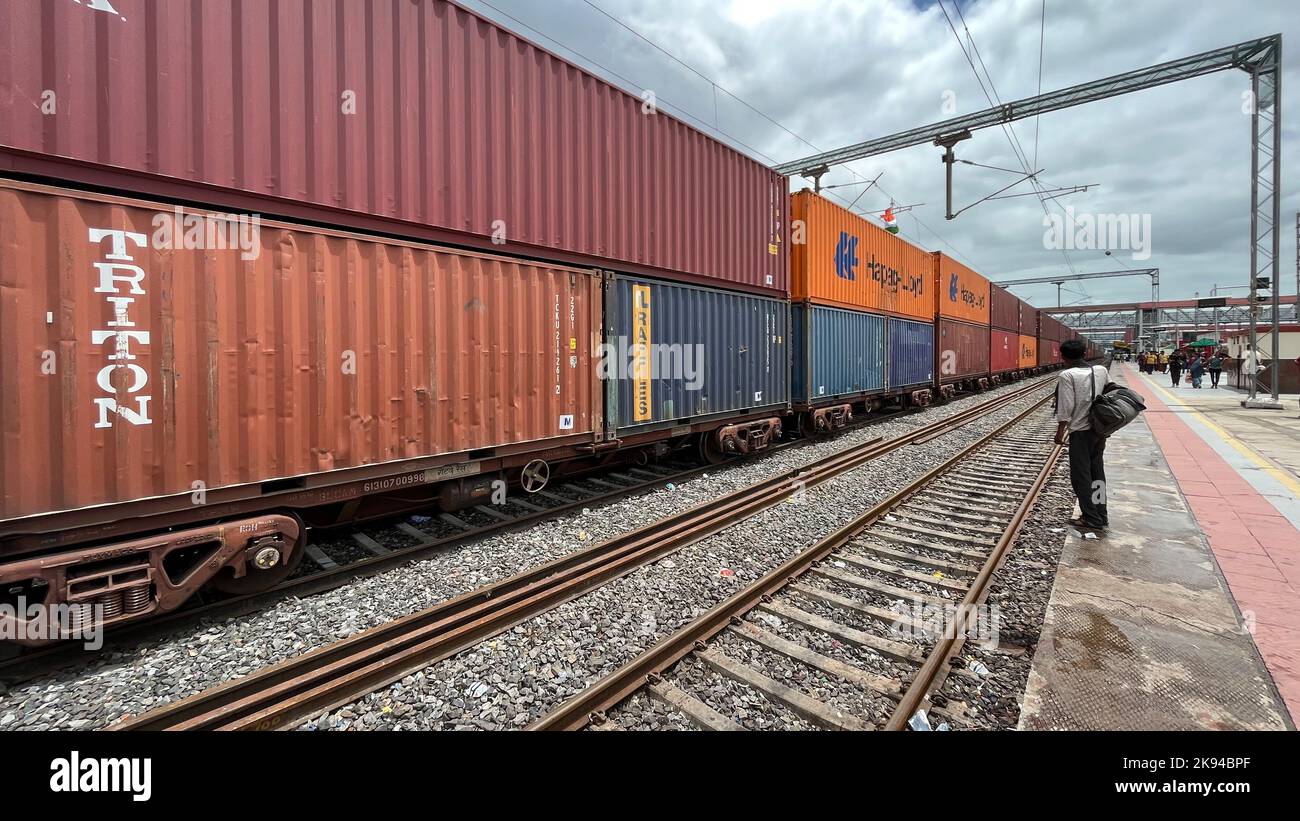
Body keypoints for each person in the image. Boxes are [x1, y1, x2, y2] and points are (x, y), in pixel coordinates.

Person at [1054, 338, 1110, 531]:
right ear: (1085, 354)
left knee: (1081, 476)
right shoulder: (1101, 370)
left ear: (1063, 357)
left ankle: (1090, 517)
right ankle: (1101, 514)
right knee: (1097, 473)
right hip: (1099, 431)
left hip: (1080, 431)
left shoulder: (1067, 375)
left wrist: (1060, 432)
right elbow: (1109, 391)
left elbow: (1066, 407)